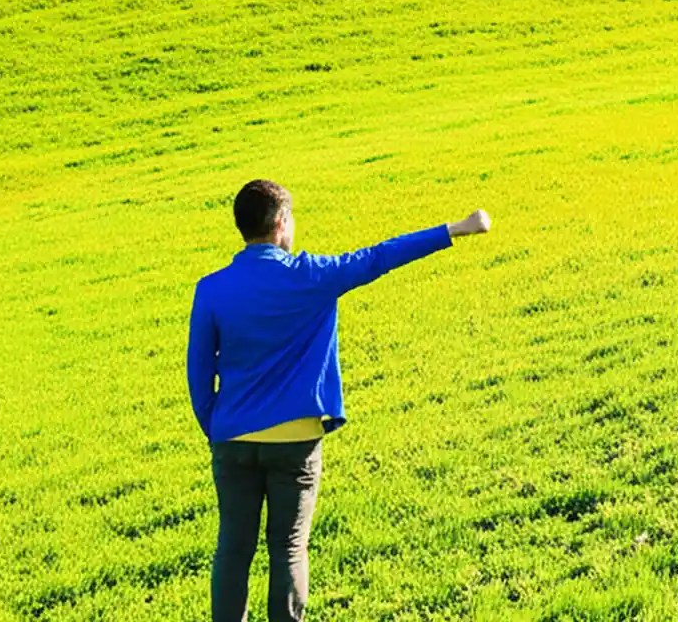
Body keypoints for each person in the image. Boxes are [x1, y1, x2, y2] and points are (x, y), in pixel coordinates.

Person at [186, 179, 491, 622]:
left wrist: (217, 427)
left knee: (233, 547)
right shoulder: (313, 276)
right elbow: (381, 255)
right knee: (288, 547)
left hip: (232, 437)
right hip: (296, 442)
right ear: (282, 224)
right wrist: (455, 230)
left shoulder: (211, 289)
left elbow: (199, 374)